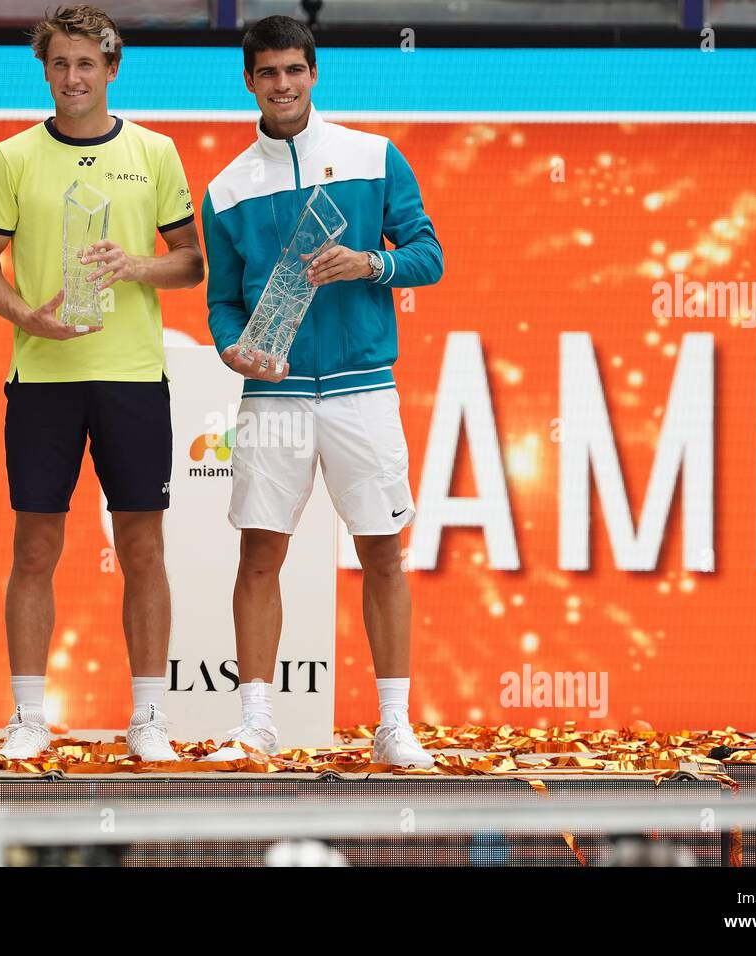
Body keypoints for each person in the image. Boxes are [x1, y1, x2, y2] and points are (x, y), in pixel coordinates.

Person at [200, 15, 444, 768]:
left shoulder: (373, 156)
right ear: (248, 81)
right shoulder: (225, 189)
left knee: (383, 554)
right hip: (272, 395)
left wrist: (371, 265)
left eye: (294, 70)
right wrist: (232, 349)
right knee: (260, 557)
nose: (282, 85)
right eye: (267, 72)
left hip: (361, 387)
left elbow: (428, 255)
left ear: (314, 74)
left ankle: (393, 725)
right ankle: (256, 723)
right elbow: (221, 302)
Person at [0, 5, 203, 761]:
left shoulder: (156, 152)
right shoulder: (13, 157)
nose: (73, 78)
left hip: (133, 376)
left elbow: (193, 262)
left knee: (143, 547)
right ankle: (29, 717)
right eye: (60, 64)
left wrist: (136, 265)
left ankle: (148, 718)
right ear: (46, 70)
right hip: (43, 379)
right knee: (35, 549)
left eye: (86, 64)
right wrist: (25, 317)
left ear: (112, 67)